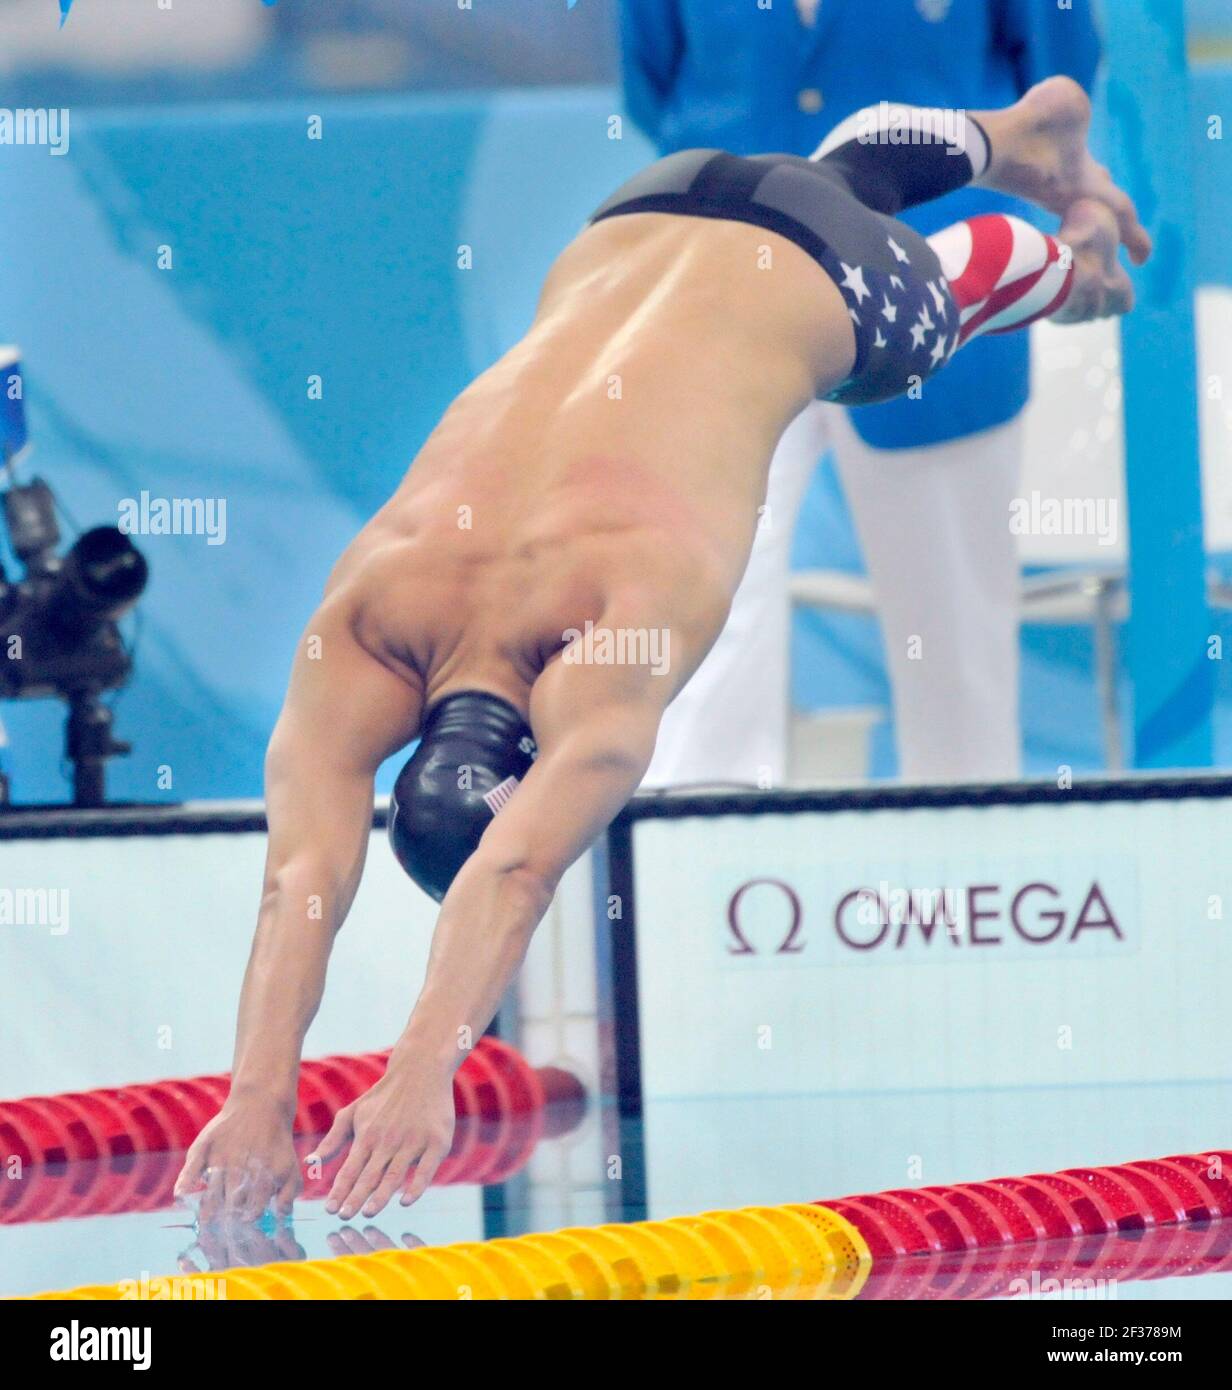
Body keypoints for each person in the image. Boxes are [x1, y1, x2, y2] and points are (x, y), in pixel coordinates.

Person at [175, 79, 1148, 1223]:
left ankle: (1067, 257)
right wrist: (254, 1094)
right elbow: (298, 882)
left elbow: (509, 871)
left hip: (837, 274)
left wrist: (418, 1073)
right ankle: (1005, 135)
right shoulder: (367, 611)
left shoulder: (606, 646)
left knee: (924, 317)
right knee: (837, 182)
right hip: (644, 212)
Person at [622, 0, 1104, 785]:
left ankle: (969, 878)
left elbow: (1056, 74)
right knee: (701, 619)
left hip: (936, 281)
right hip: (718, 289)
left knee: (955, 650)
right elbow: (652, 82)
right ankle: (691, 866)